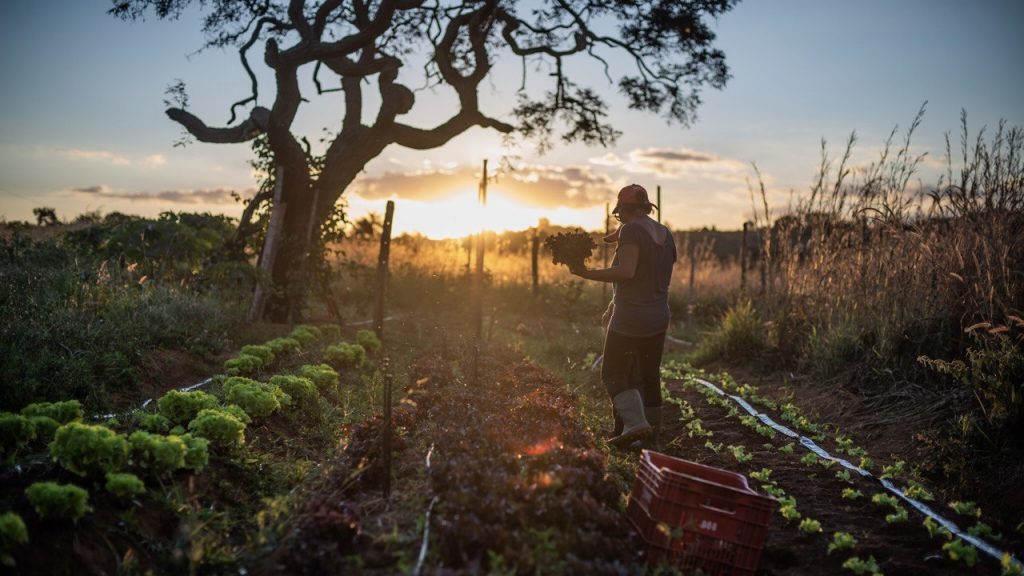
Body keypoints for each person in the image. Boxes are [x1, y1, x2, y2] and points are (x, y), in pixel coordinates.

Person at [571, 184, 677, 448]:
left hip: (631, 317)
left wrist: (587, 273)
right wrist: (613, 303)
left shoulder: (631, 230)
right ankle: (650, 439)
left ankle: (635, 424)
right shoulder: (664, 233)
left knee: (613, 373)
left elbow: (627, 272)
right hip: (659, 314)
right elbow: (647, 276)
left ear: (624, 210)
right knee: (649, 375)